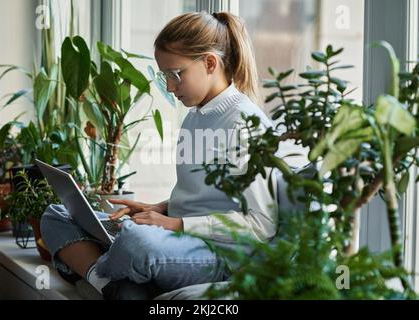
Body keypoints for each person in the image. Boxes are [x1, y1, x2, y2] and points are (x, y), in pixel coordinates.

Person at [41, 11, 278, 299]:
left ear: (210, 63)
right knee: (56, 215)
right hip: (178, 238)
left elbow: (262, 225)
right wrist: (159, 209)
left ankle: (98, 270)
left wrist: (176, 224)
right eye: (164, 75)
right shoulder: (195, 116)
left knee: (135, 242)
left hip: (219, 255)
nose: (169, 86)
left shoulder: (245, 124)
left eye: (175, 74)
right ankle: (110, 284)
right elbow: (206, 195)